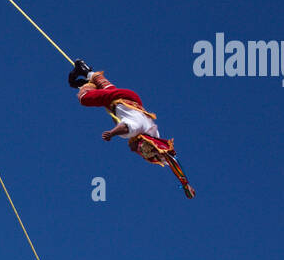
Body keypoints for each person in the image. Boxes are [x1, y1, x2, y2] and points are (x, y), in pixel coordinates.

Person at [67, 60, 194, 198]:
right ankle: (86, 81)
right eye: (138, 150)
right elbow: (125, 127)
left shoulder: (152, 134)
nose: (133, 150)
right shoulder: (134, 130)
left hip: (132, 99)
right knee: (85, 99)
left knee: (108, 91)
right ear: (141, 142)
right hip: (119, 99)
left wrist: (185, 184)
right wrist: (112, 133)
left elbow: (170, 159)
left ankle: (89, 72)